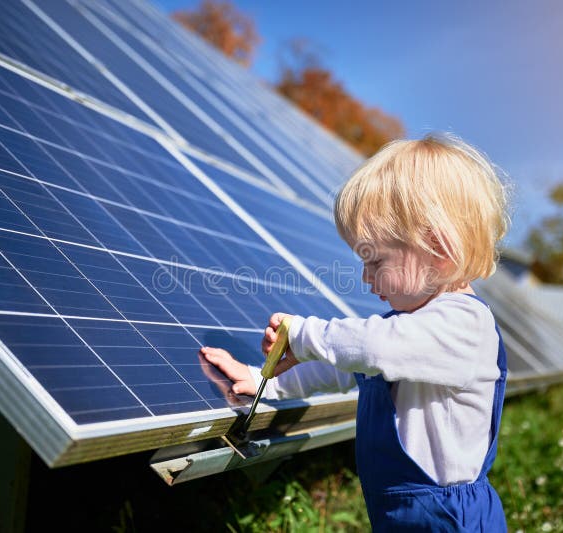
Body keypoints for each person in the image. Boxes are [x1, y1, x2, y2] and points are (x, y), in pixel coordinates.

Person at [201, 133, 510, 532]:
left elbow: (373, 349)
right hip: (405, 515)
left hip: (451, 519)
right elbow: (338, 367)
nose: (365, 277)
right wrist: (264, 380)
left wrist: (304, 334)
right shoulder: (407, 334)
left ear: (438, 247)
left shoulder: (465, 326)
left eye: (375, 259)